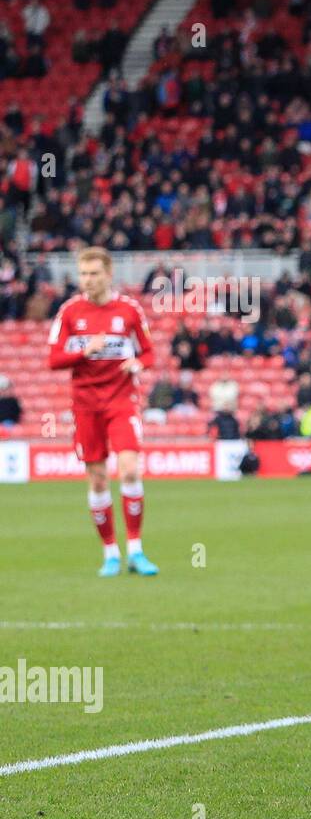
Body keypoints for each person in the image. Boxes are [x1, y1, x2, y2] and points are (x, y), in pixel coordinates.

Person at [46, 247, 159, 576]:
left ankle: (136, 550)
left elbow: (149, 353)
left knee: (129, 470)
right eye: (83, 274)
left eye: (94, 274)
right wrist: (85, 350)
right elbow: (53, 360)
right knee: (97, 480)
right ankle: (110, 552)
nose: (88, 280)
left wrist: (138, 362)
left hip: (122, 400)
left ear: (109, 275)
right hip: (85, 404)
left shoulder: (128, 310)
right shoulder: (69, 312)